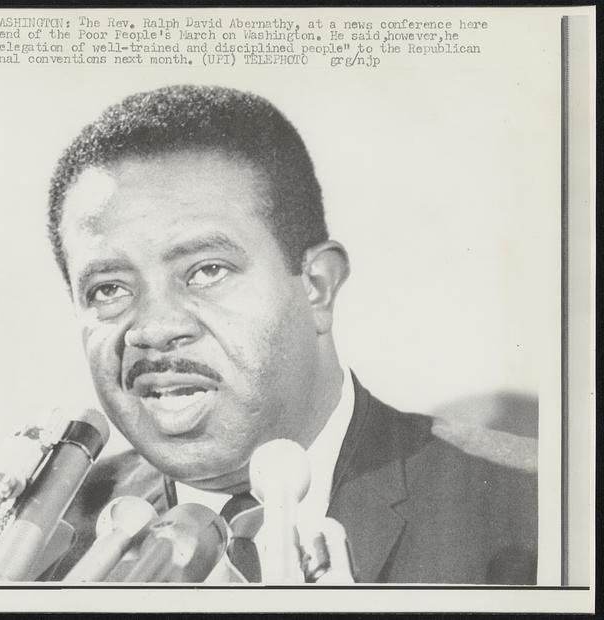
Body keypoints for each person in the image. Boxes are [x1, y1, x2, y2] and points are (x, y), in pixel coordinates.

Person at [42, 84, 538, 583]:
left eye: (207, 270)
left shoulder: (536, 504)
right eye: (108, 289)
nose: (155, 329)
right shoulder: (42, 544)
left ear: (318, 287)